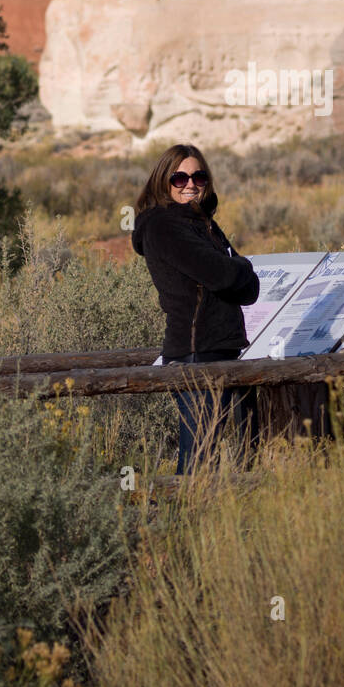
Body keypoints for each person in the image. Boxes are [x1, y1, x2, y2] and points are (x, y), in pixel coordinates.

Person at [131, 143, 261, 473]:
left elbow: (250, 291)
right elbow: (222, 274)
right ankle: (180, 520)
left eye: (199, 176)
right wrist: (241, 267)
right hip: (195, 352)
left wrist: (239, 271)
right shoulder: (163, 225)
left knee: (227, 449)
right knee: (199, 458)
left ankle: (217, 518)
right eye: (179, 178)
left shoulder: (203, 224)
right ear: (163, 181)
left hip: (221, 348)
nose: (191, 184)